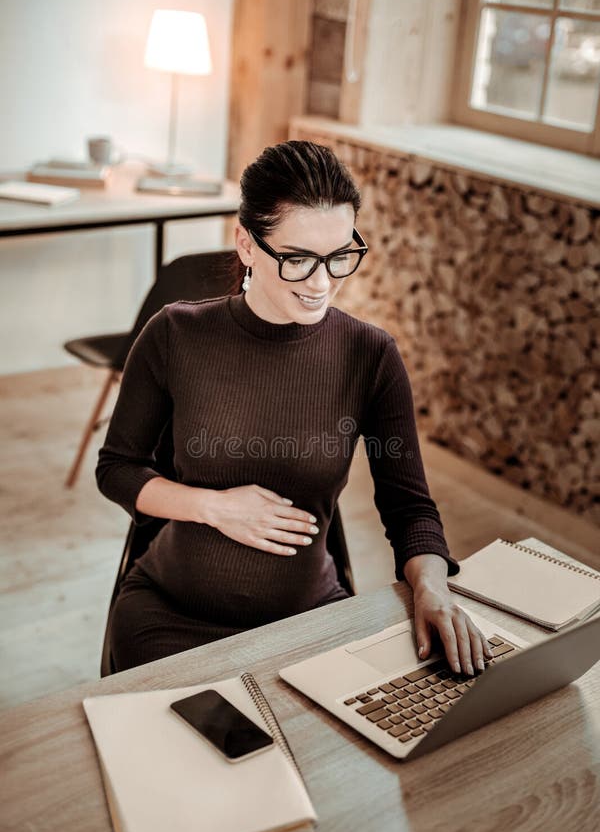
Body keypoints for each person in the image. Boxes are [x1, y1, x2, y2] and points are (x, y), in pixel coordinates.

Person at [96, 139, 494, 675]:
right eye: (298, 259)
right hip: (169, 616)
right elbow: (116, 469)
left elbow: (410, 508)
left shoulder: (370, 355)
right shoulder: (175, 333)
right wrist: (213, 506)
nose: (322, 282)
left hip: (309, 621)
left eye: (339, 256)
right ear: (246, 244)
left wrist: (432, 588)